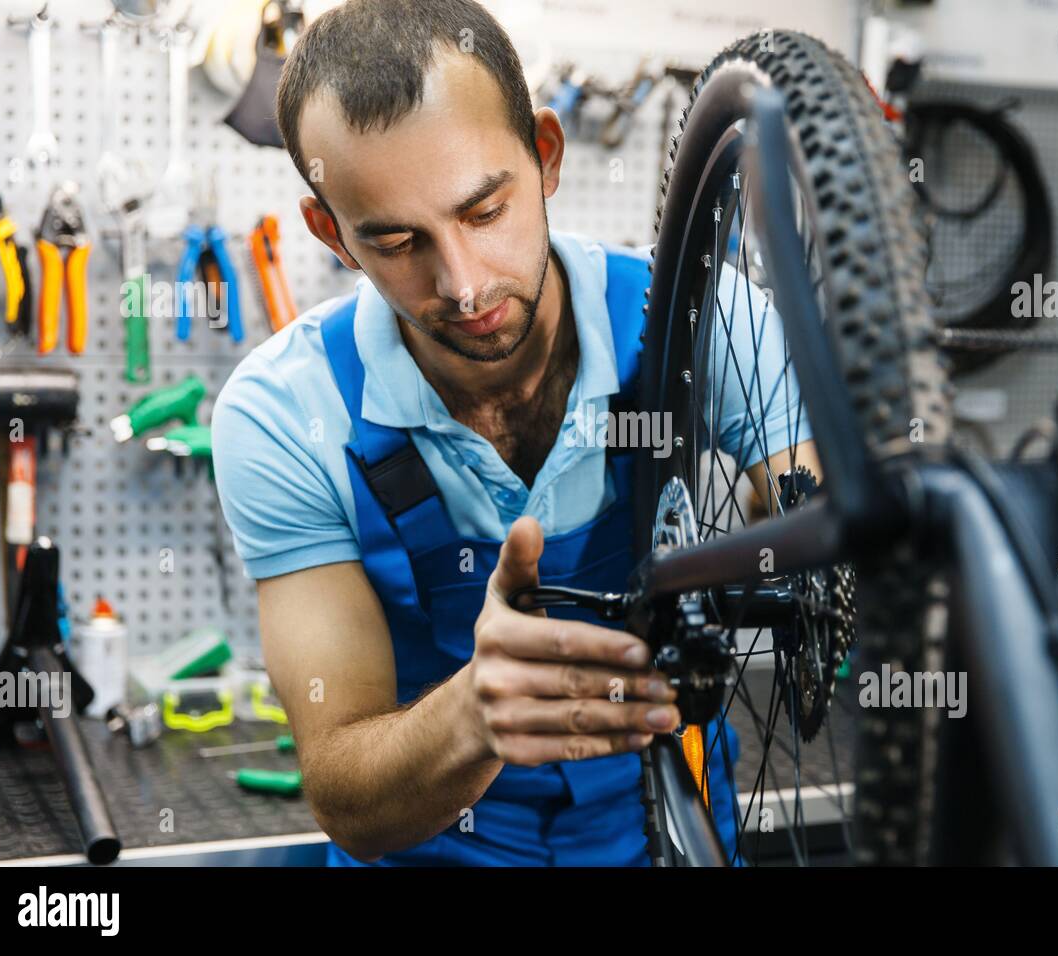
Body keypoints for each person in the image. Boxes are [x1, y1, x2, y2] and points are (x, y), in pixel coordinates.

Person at [211, 0, 815, 866]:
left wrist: (805, 539)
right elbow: (348, 800)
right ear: (331, 234)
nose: (462, 285)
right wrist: (473, 713)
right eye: (396, 241)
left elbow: (818, 515)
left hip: (669, 829)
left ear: (546, 153)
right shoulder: (282, 416)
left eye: (484, 212)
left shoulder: (698, 315)